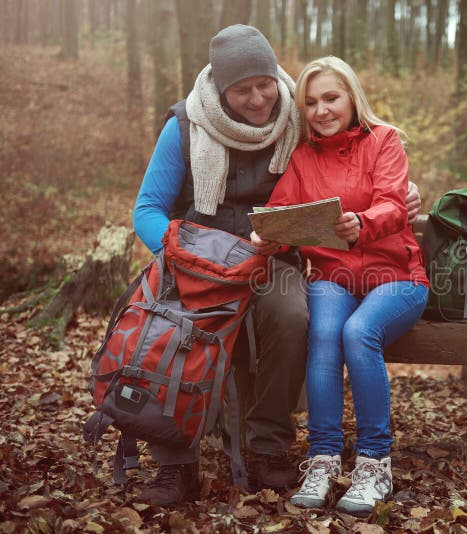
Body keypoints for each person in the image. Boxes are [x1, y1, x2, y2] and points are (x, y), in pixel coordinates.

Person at [132, 25, 421, 507]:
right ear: (220, 90)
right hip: (196, 257)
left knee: (293, 318)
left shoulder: (297, 118)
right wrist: (179, 254)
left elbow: (357, 158)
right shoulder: (186, 124)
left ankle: (267, 445)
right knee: (174, 322)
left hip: (272, 257)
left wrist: (400, 199)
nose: (258, 97)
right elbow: (147, 209)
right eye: (242, 89)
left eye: (264, 83)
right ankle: (174, 461)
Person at [250, 56, 429, 517]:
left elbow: (393, 201)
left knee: (357, 333)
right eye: (310, 102)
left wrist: (362, 223)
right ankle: (324, 459)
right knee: (325, 334)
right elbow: (280, 210)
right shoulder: (304, 158)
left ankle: (374, 462)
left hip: (397, 277)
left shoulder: (385, 141)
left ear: (352, 97)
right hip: (332, 276)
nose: (321, 110)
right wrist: (266, 235)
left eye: (331, 97)